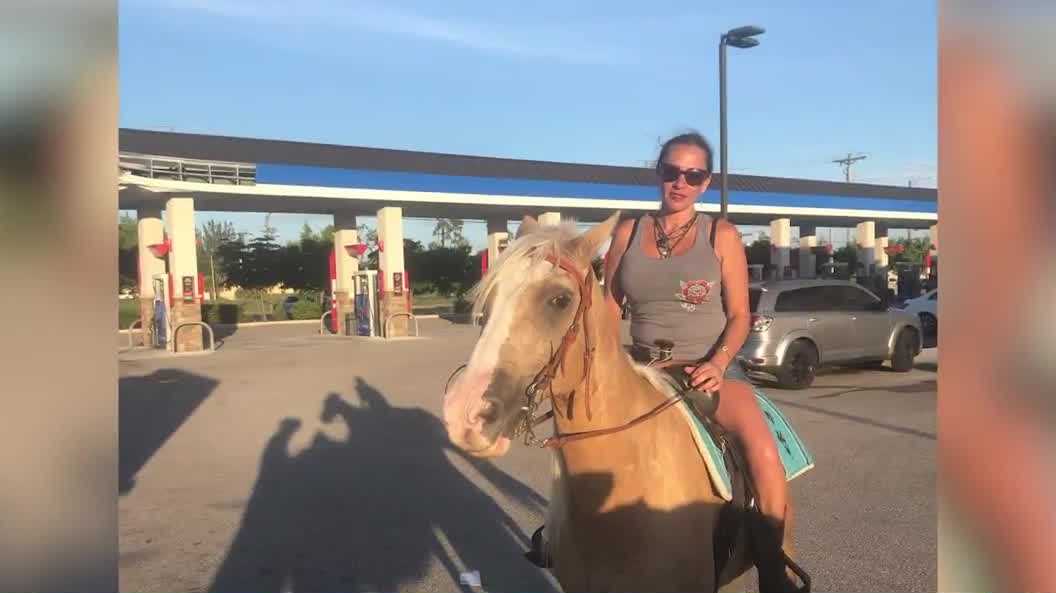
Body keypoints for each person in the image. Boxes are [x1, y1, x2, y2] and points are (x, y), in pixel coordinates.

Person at [603, 131, 799, 591]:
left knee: (762, 449)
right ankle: (565, 532)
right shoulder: (627, 232)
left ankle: (773, 566)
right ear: (658, 173)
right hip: (642, 367)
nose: (680, 183)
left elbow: (739, 315)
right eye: (671, 172)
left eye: (692, 175)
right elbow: (609, 307)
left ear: (705, 182)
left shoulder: (721, 234)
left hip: (708, 365)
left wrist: (717, 363)